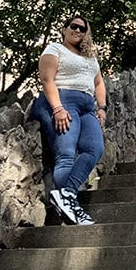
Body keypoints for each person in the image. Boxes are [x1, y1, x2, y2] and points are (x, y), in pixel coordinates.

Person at [30, 14, 107, 225]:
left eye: (83, 29)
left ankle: (66, 196)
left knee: (95, 148)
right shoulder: (55, 49)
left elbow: (99, 83)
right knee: (66, 154)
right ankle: (70, 205)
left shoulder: (90, 57)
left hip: (87, 106)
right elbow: (47, 79)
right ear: (64, 29)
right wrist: (57, 108)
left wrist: (102, 107)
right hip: (64, 99)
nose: (78, 31)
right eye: (74, 26)